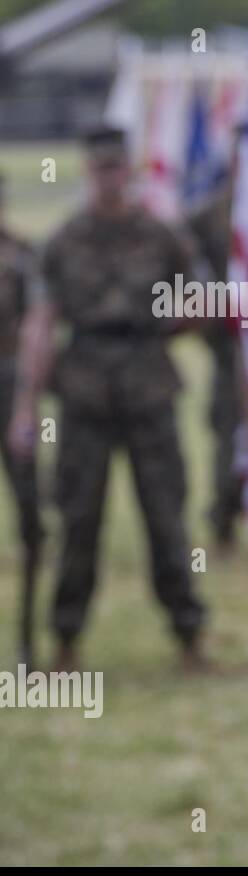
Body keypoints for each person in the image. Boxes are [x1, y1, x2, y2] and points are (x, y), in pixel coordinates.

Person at [7, 126, 207, 670]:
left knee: (167, 517)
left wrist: (163, 327)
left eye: (118, 167)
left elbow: (197, 303)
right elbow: (41, 325)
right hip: (85, 393)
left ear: (131, 171)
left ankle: (189, 635)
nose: (110, 179)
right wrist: (26, 409)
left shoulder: (162, 237)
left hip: (148, 386)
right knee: (78, 519)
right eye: (100, 169)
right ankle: (66, 641)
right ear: (87, 172)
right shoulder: (63, 242)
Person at [186, 174, 243, 550]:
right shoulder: (205, 217)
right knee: (230, 439)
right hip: (230, 349)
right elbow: (183, 273)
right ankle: (223, 521)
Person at [0, 173, 44, 655]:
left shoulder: (22, 258)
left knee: (31, 521)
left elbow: (38, 327)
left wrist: (25, 409)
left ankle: (26, 645)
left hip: (10, 389)